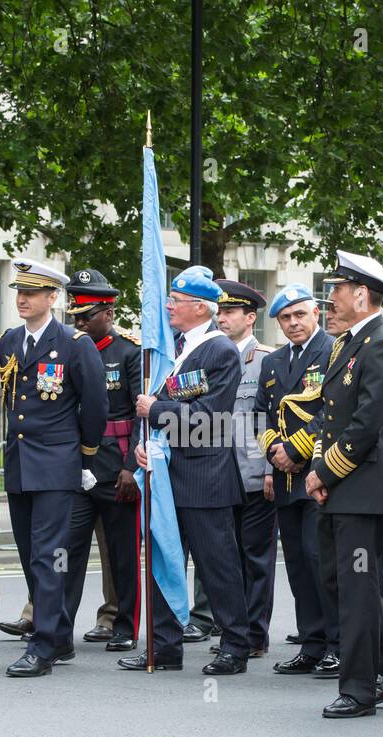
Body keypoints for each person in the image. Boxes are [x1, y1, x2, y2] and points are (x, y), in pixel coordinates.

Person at [304, 251, 383, 717]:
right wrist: (319, 467)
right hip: (339, 486)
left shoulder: (380, 343)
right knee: (338, 581)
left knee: (357, 589)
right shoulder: (347, 343)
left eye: (336, 290)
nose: (329, 300)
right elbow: (328, 416)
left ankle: (357, 689)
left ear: (361, 295)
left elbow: (366, 423)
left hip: (363, 488)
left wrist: (324, 471)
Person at [128, 265, 253, 675]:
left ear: (201, 308)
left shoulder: (220, 351)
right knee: (164, 559)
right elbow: (150, 415)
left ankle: (235, 645)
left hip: (205, 476)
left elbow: (209, 417)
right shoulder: (172, 348)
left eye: (176, 302)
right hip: (166, 473)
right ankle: (164, 647)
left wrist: (157, 409)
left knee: (218, 566)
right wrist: (142, 449)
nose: (169, 308)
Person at [0, 258, 106, 676]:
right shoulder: (9, 341)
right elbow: (12, 401)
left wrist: (86, 456)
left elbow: (94, 405)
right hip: (21, 462)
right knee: (29, 554)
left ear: (52, 298)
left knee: (49, 554)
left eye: (32, 293)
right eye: (19, 292)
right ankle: (58, 635)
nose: (22, 299)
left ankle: (42, 645)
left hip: (58, 463)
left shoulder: (74, 344)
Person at [256, 284, 340, 677]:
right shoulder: (272, 362)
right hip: (285, 477)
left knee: (321, 560)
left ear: (316, 315)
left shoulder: (335, 351)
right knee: (298, 567)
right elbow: (260, 415)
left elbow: (334, 409)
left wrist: (297, 448)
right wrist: (275, 449)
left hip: (320, 474)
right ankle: (312, 643)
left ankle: (338, 645)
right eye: (285, 318)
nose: (293, 324)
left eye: (299, 315)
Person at [61, 268, 143, 653]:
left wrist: (131, 467)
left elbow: (140, 417)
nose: (78, 322)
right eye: (75, 315)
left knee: (123, 553)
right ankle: (58, 629)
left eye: (86, 315)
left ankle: (124, 626)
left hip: (116, 470)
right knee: (67, 551)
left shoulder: (128, 351)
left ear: (107, 313)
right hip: (76, 468)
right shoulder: (66, 348)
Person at [201, 277, 276, 658]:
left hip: (251, 473)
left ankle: (254, 635)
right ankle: (232, 629)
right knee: (224, 557)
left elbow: (267, 419)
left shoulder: (264, 359)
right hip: (216, 473)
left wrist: (267, 470)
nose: (222, 319)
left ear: (250, 317)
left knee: (255, 556)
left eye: (229, 312)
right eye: (219, 312)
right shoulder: (210, 356)